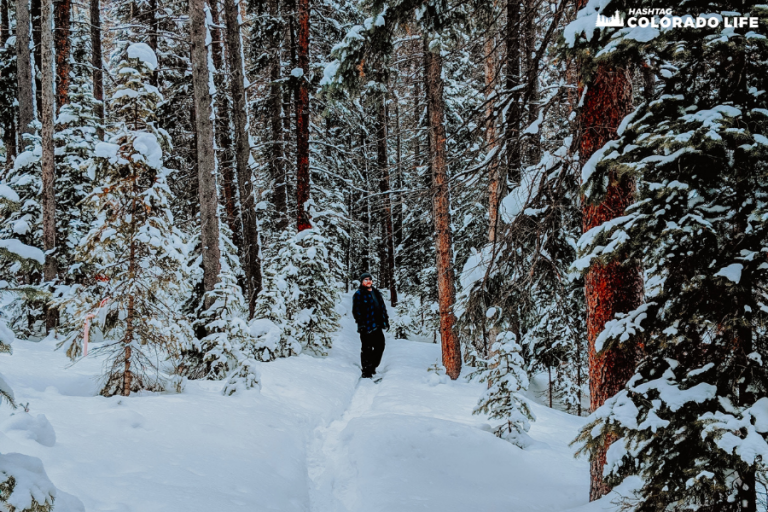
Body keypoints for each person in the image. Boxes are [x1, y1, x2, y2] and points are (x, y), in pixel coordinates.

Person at [352, 272, 389, 378]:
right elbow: (356, 310)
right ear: (362, 281)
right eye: (366, 280)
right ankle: (366, 371)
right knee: (367, 349)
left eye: (370, 279)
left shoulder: (376, 293)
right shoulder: (359, 294)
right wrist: (361, 324)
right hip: (366, 326)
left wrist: (385, 321)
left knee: (380, 347)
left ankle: (372, 367)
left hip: (377, 325)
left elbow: (382, 308)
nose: (368, 281)